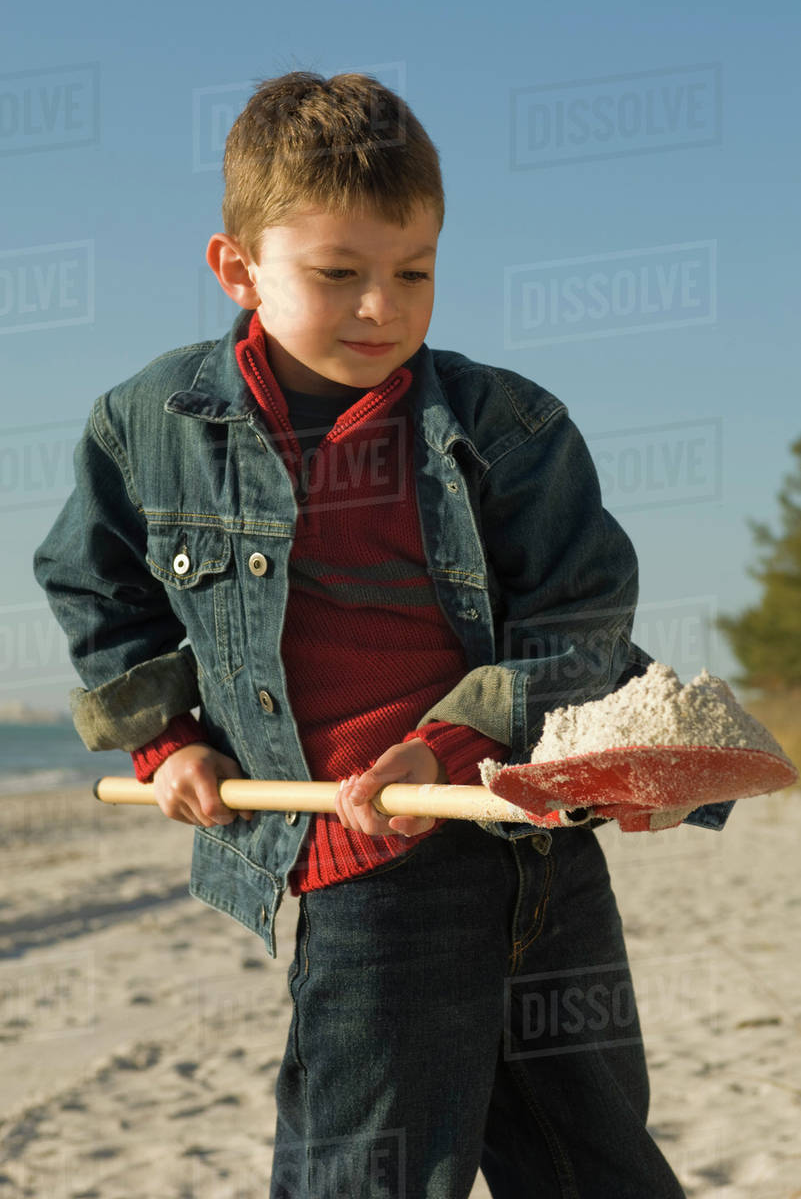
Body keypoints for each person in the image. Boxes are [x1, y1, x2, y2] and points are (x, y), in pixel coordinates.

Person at [32, 71, 719, 1197]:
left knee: (595, 1160)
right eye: (338, 274)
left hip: (536, 844)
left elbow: (582, 614)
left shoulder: (509, 426)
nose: (380, 309)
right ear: (238, 269)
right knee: (368, 1173)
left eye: (414, 273)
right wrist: (172, 741)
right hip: (370, 872)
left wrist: (453, 744)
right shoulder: (150, 427)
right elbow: (96, 588)